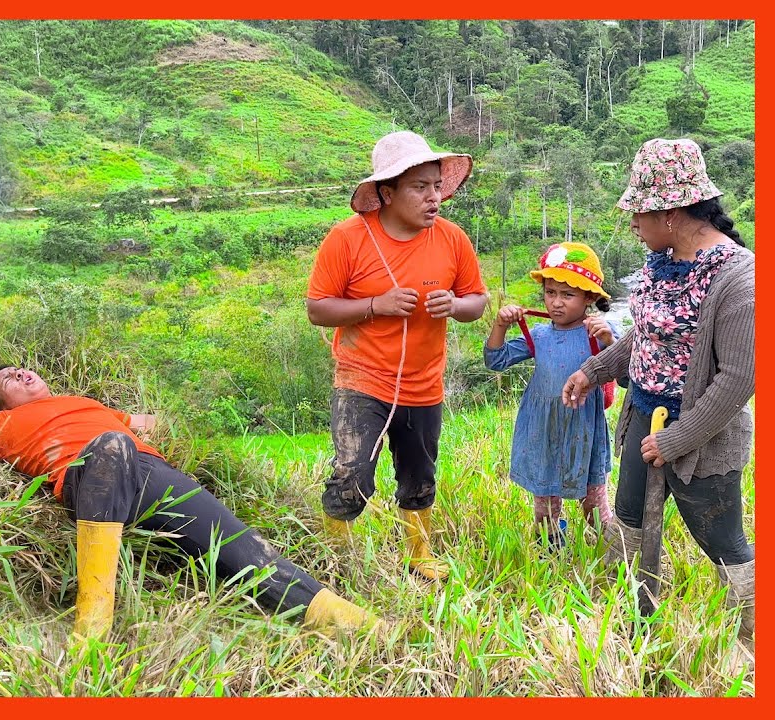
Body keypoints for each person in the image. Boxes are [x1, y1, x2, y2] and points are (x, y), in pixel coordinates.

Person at [0, 364, 386, 640]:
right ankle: (92, 627)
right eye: (8, 380)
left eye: (23, 370)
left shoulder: (88, 404)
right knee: (112, 446)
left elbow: (155, 421)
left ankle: (354, 623)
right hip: (87, 477)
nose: (21, 374)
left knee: (247, 549)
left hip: (151, 473)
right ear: (1, 404)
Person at [561, 138, 755, 654]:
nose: (631, 222)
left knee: (722, 541)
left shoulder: (740, 278)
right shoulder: (662, 262)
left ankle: (751, 640)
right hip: (643, 417)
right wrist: (594, 368)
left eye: (638, 212)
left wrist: (678, 440)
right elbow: (646, 334)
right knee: (627, 519)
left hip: (701, 438)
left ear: (669, 213)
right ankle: (636, 616)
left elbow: (739, 377)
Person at [305, 131, 488, 582]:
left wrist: (455, 305)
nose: (435, 197)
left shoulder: (451, 240)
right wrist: (375, 306)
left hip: (424, 383)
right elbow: (317, 307)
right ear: (386, 193)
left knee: (419, 474)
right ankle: (338, 560)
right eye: (420, 187)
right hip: (362, 380)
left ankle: (419, 555)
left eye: (437, 185)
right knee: (352, 476)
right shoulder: (347, 240)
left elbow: (477, 302)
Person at [484, 242, 618, 548]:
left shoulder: (598, 334)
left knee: (594, 501)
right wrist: (500, 325)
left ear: (589, 298)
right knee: (545, 502)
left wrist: (610, 340)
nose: (556, 302)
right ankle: (550, 552)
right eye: (550, 292)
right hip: (543, 430)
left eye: (567, 294)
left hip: (585, 429)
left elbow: (625, 375)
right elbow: (496, 360)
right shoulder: (540, 335)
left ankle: (613, 552)